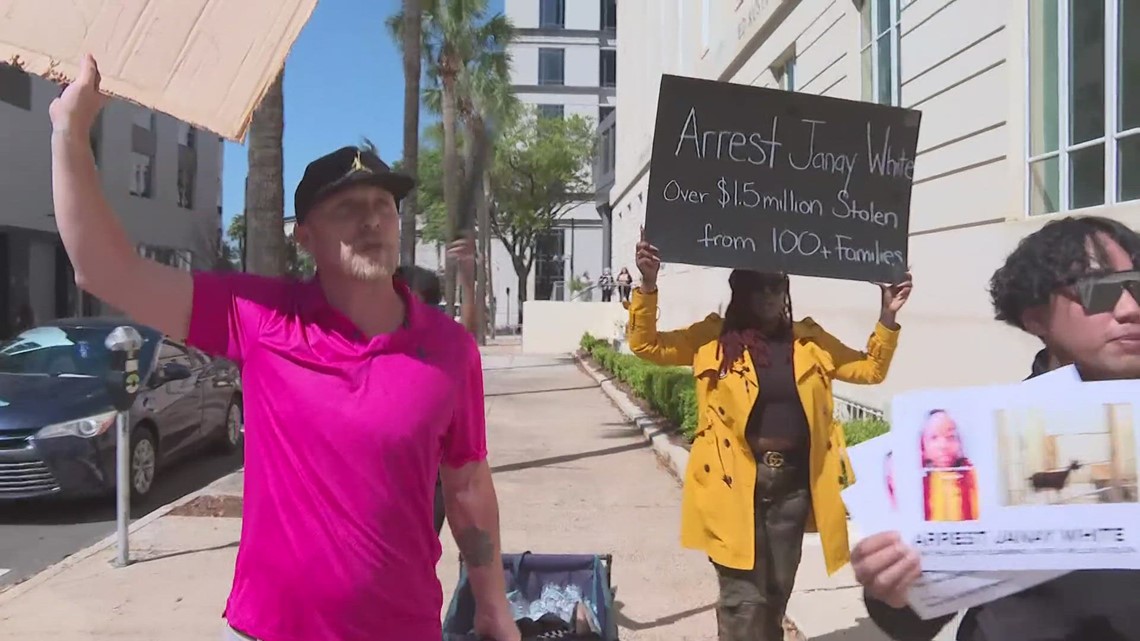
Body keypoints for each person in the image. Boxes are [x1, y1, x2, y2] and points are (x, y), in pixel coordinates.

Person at [50, 55, 519, 641]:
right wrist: (70, 130)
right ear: (305, 236)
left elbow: (467, 483)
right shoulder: (258, 316)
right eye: (347, 209)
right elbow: (106, 270)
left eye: (383, 206)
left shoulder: (449, 349)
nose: (372, 221)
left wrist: (494, 607)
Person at [853, 215, 1140, 641]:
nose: (1131, 309)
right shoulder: (970, 441)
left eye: (1136, 286)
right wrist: (893, 587)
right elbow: (913, 622)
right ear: (1035, 318)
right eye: (1099, 289)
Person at [627, 228, 913, 641]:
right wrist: (648, 284)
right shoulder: (714, 339)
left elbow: (870, 369)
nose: (767, 295)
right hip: (733, 485)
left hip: (793, 487)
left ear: (785, 290)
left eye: (775, 286)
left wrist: (888, 316)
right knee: (743, 601)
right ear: (739, 291)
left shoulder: (809, 342)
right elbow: (646, 345)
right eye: (756, 286)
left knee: (775, 598)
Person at [395, 238, 476, 538]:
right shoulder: (371, 340)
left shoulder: (437, 341)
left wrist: (467, 280)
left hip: (430, 478)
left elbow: (467, 333)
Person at [919, 410, 979, 522]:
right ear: (922, 445)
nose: (943, 446)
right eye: (934, 438)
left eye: (951, 437)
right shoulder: (917, 483)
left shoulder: (973, 479)